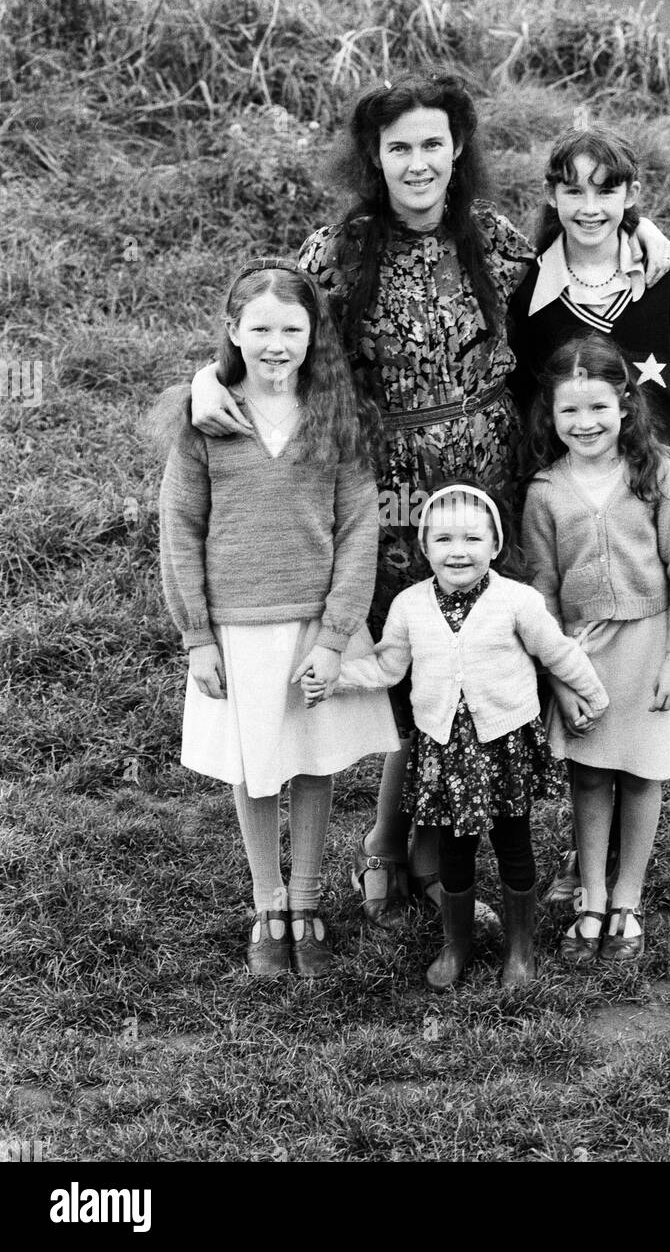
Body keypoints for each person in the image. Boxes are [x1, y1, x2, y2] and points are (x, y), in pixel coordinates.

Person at [188, 74, 670, 926]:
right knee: (410, 659)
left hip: (489, 482)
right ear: (375, 159)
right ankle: (389, 848)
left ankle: (449, 858)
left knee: (481, 651)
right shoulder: (336, 254)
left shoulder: (495, 240)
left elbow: (589, 273)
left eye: (434, 144)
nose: (419, 162)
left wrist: (644, 234)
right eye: (400, 147)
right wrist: (203, 380)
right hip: (392, 489)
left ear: (459, 151)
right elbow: (266, 329)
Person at [158, 259, 400, 978]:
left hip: (313, 620)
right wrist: (196, 635)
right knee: (256, 765)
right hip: (238, 625)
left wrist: (335, 637)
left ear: (311, 334)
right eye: (259, 328)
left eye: (291, 328)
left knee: (312, 759)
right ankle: (268, 904)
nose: (275, 343)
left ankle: (306, 899)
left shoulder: (334, 413)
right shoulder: (206, 420)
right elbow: (179, 527)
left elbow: (359, 528)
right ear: (232, 332)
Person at [507, 125, 670, 906]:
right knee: (586, 727)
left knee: (655, 697)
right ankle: (587, 871)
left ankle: (620, 882)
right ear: (552, 196)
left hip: (655, 508)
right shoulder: (530, 291)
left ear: (632, 197)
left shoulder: (665, 276)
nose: (590, 205)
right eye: (573, 188)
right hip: (576, 517)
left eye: (608, 189)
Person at [297, 482, 609, 989]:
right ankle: (456, 944)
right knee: (454, 850)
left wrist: (592, 697)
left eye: (472, 539)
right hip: (444, 749)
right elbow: (388, 666)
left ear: (495, 544)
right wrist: (339, 678)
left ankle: (520, 949)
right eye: (442, 540)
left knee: (513, 842)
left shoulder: (518, 601)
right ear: (424, 548)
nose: (458, 551)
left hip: (504, 745)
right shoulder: (409, 605)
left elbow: (559, 652)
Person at [521, 335, 670, 964]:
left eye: (598, 407)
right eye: (569, 411)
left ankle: (628, 897)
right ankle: (592, 896)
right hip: (583, 654)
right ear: (550, 415)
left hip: (650, 645)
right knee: (592, 774)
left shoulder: (657, 474)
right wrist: (560, 675)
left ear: (625, 404)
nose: (585, 423)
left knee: (643, 773)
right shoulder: (545, 490)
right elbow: (543, 590)